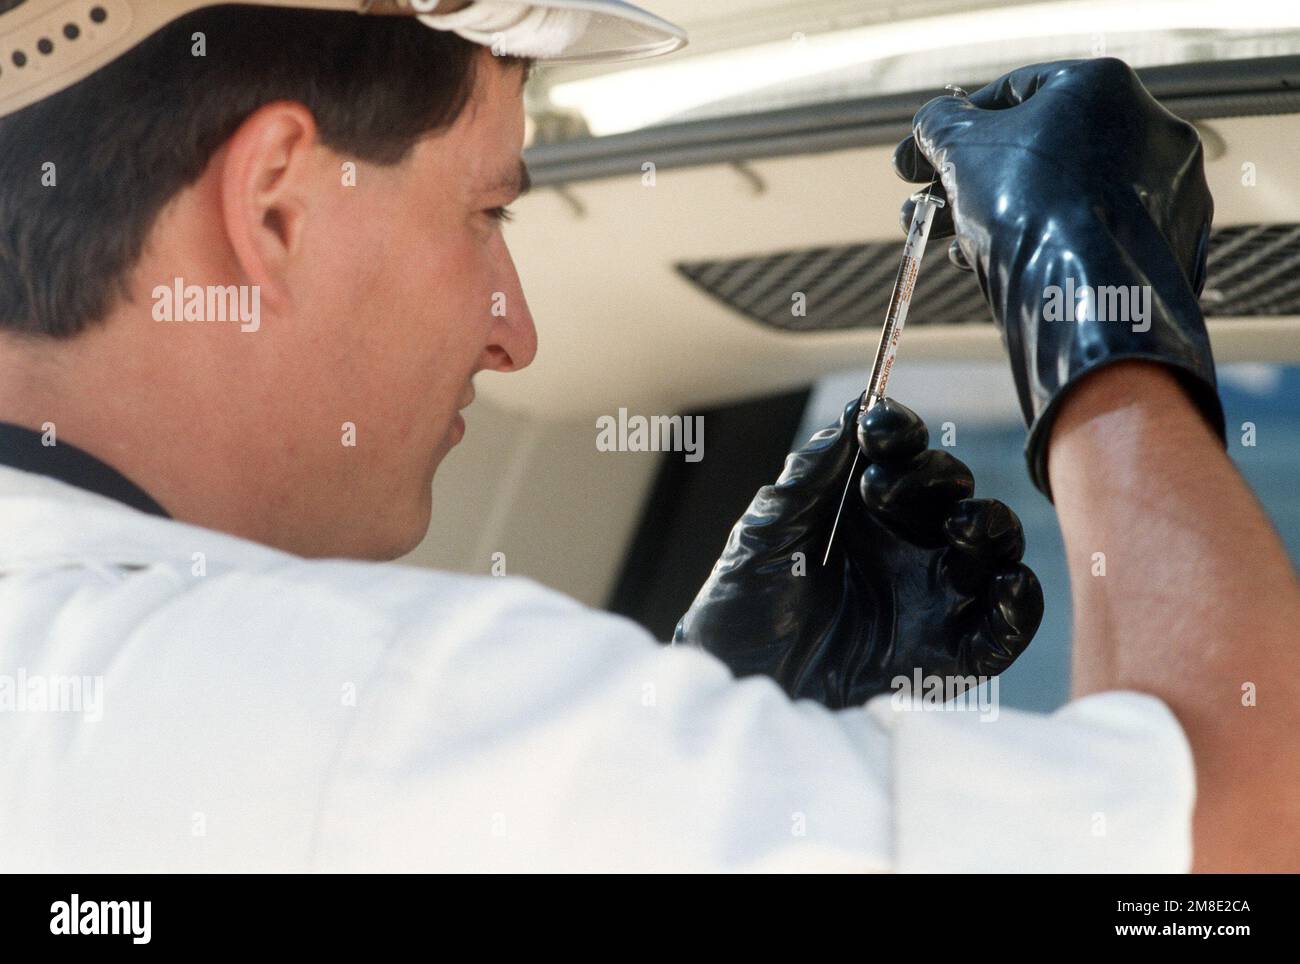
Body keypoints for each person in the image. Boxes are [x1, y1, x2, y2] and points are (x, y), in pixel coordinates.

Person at [0, 1, 1292, 872]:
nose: (515, 335)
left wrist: (735, 719)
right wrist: (1098, 314)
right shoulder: (352, 698)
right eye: (488, 215)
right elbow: (1239, 834)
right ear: (276, 205)